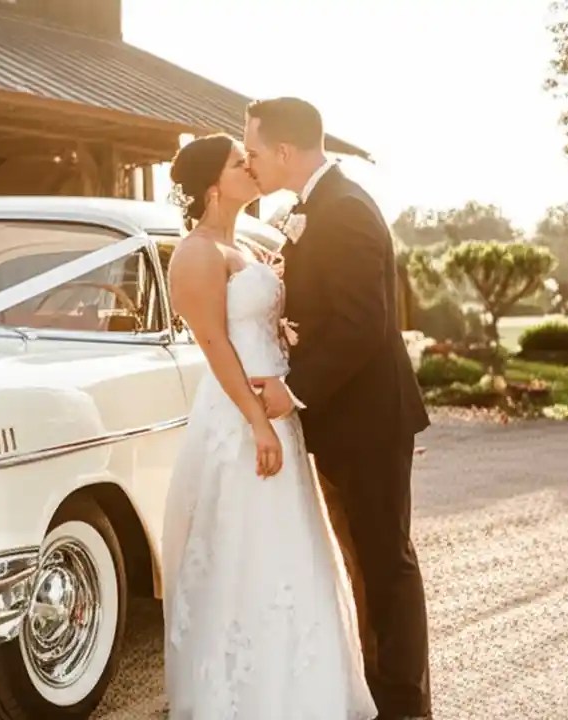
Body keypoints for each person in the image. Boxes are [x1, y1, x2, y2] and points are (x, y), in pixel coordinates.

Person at [159, 132, 378, 719]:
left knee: (287, 547)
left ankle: (299, 687)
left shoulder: (246, 250)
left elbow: (253, 329)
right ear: (213, 186)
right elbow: (215, 347)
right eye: (239, 163)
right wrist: (256, 422)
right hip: (240, 417)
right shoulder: (197, 253)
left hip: (276, 412)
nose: (250, 168)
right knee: (241, 548)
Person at [242, 97, 432, 720]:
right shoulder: (315, 209)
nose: (252, 162)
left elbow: (361, 325)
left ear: (285, 152)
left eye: (255, 151)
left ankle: (405, 706)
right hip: (342, 421)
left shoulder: (345, 209)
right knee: (361, 561)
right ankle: (381, 691)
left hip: (370, 423)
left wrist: (292, 389)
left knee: (385, 562)